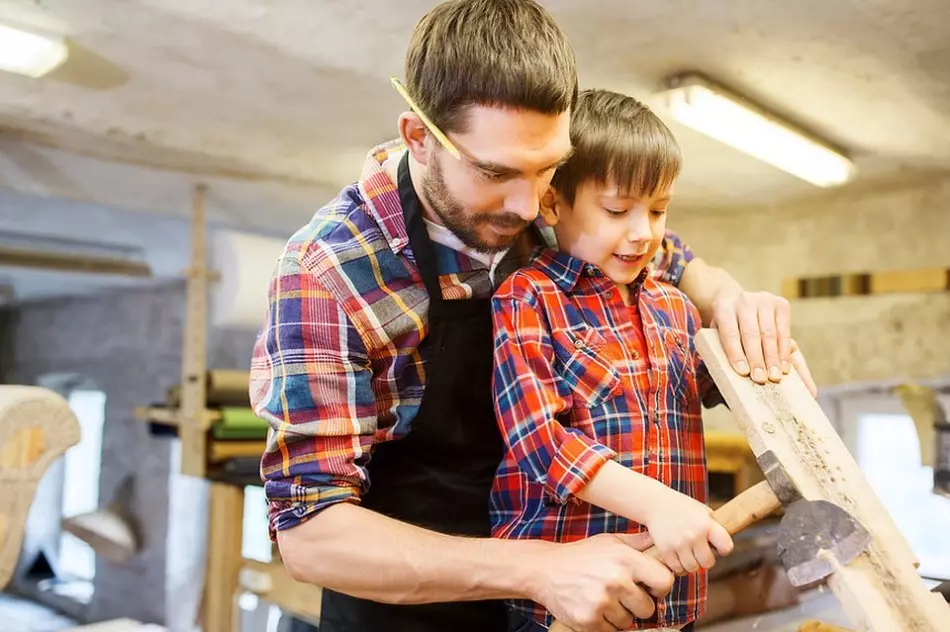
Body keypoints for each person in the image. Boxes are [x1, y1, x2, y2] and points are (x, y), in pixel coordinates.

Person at [249, 2, 815, 631]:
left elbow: (676, 263)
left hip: (564, 599)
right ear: (418, 138)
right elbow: (309, 534)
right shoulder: (330, 271)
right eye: (496, 173)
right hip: (409, 605)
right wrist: (541, 570)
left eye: (549, 168)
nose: (531, 205)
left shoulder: (556, 210)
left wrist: (732, 299)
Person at [491, 89, 732, 632]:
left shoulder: (674, 306)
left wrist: (765, 359)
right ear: (553, 203)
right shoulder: (528, 298)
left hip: (671, 599)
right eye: (618, 210)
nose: (644, 231)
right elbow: (539, 442)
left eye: (659, 209)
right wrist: (657, 505)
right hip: (568, 605)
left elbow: (720, 388)